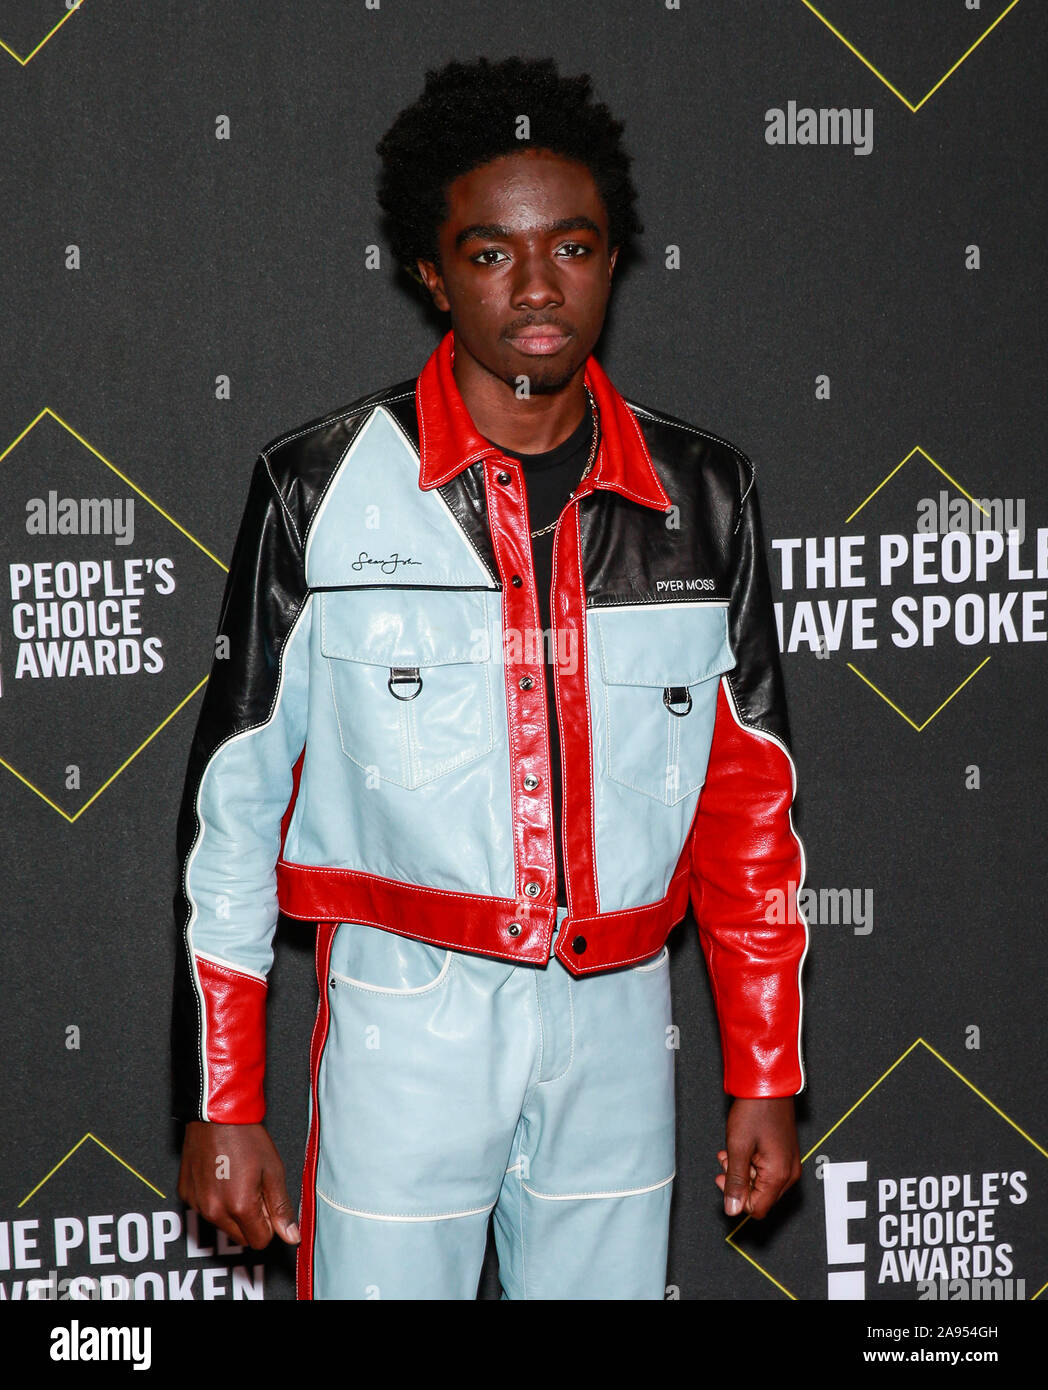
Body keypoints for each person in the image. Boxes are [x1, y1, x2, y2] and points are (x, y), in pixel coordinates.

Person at [172, 55, 808, 1301]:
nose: (534, 287)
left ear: (613, 257)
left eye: (569, 247)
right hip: (407, 1011)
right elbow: (232, 809)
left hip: (623, 1021)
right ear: (429, 270)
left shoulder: (706, 496)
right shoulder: (317, 487)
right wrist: (221, 1096)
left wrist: (766, 1072)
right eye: (487, 252)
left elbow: (750, 812)